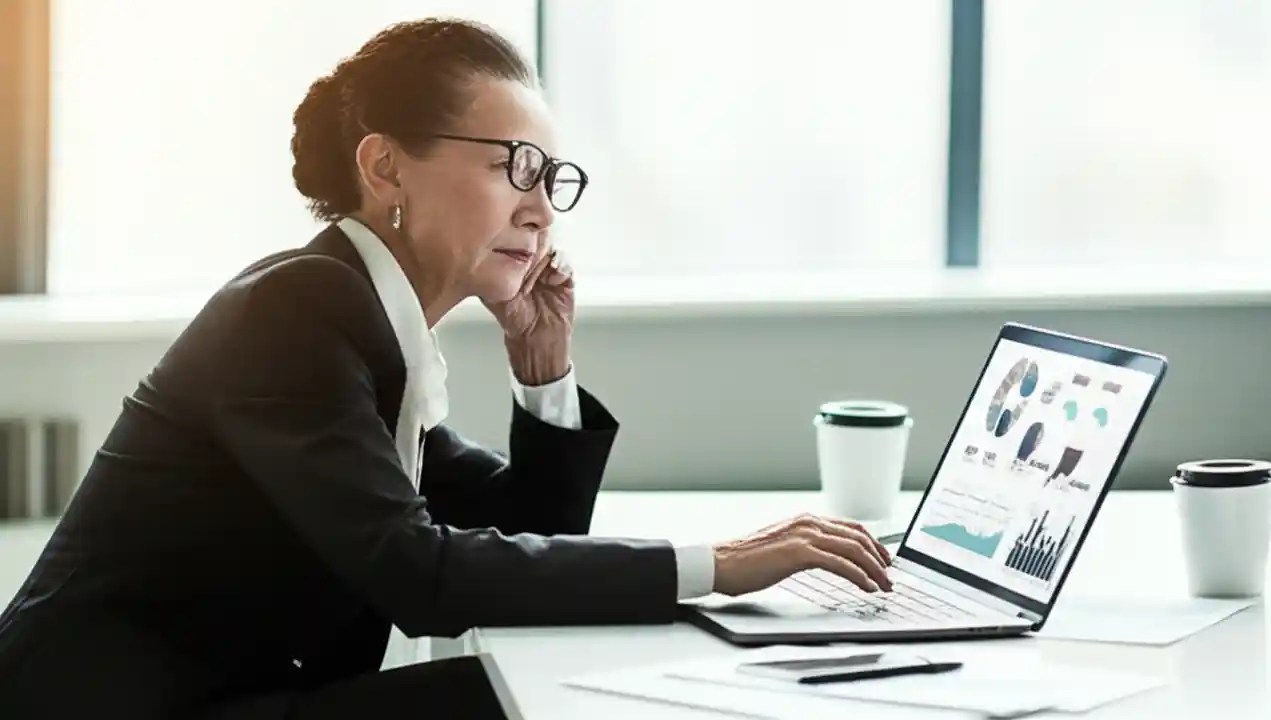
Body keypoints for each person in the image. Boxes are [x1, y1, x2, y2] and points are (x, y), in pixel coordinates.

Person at [0, 18, 892, 719]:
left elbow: (528, 530)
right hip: (125, 710)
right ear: (386, 166)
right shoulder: (297, 314)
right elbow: (422, 575)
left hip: (225, 697)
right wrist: (717, 563)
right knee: (548, 702)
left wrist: (541, 369)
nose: (543, 210)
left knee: (562, 691)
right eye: (515, 167)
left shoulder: (361, 323)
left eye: (553, 177)